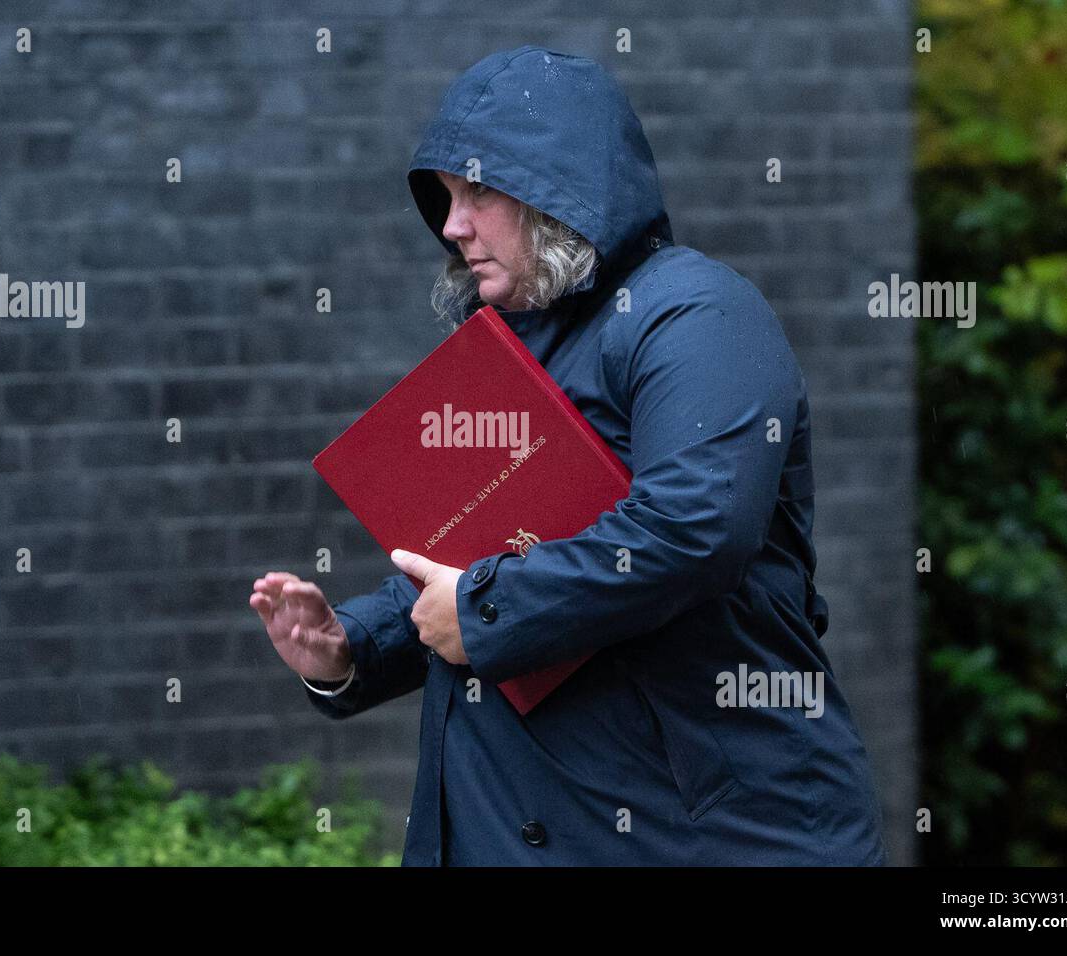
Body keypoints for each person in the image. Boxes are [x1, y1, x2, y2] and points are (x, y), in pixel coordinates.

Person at [251, 45, 888, 865]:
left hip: (697, 836)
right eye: (446, 197)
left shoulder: (699, 314)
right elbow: (479, 556)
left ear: (561, 186)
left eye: (478, 188)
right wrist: (351, 646)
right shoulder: (515, 339)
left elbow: (694, 528)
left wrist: (481, 607)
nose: (452, 225)